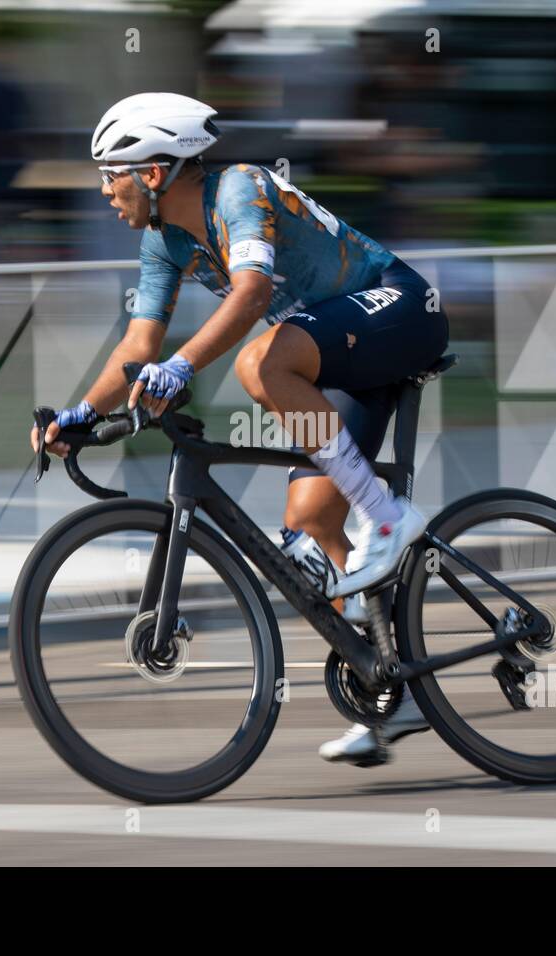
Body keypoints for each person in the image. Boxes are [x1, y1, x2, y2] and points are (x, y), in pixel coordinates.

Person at [30, 92, 449, 765]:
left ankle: (390, 516)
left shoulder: (240, 190)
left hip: (398, 309)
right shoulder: (162, 242)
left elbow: (253, 294)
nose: (104, 189)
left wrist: (182, 365)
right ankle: (387, 687)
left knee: (262, 359)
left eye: (110, 172)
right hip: (336, 353)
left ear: (155, 173)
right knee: (310, 520)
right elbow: (138, 345)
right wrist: (83, 412)